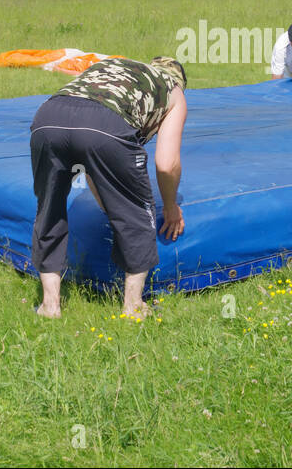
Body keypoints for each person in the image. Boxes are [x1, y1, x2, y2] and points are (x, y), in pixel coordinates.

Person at [29, 57, 188, 319]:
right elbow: (166, 164)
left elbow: (94, 166)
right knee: (137, 213)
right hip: (105, 124)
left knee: (49, 210)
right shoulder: (173, 91)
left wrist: (110, 205)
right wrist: (170, 207)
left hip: (48, 117)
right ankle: (134, 306)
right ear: (179, 80)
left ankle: (50, 305)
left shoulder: (116, 66)